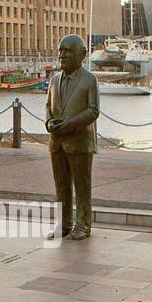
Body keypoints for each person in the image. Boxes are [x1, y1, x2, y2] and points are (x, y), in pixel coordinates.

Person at [45, 34, 100, 240]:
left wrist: (69, 124)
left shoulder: (89, 80)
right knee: (61, 185)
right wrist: (49, 122)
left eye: (68, 51)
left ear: (82, 55)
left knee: (82, 185)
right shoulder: (54, 80)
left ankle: (83, 224)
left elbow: (93, 110)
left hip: (80, 143)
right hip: (57, 142)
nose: (62, 55)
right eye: (60, 51)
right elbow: (47, 106)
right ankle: (64, 223)